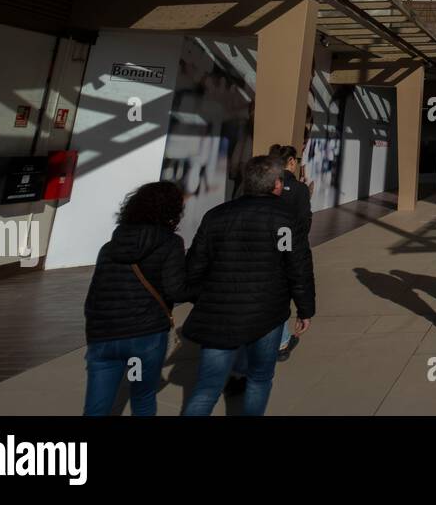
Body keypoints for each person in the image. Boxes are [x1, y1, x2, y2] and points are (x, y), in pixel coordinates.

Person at [181, 154, 315, 416]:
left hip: (219, 314)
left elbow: (194, 267)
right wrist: (305, 308)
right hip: (267, 311)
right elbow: (297, 267)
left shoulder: (216, 216)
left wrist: (205, 297)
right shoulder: (286, 220)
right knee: (260, 378)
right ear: (277, 184)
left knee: (207, 388)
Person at [82, 181, 188, 416]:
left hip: (103, 334)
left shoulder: (109, 247)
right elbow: (176, 290)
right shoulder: (171, 243)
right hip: (144, 335)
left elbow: (95, 293)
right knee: (142, 397)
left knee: (96, 406)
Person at [268, 143, 311, 363]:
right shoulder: (299, 190)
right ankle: (282, 343)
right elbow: (304, 224)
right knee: (282, 294)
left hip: (264, 250)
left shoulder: (262, 185)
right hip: (289, 250)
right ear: (291, 162)